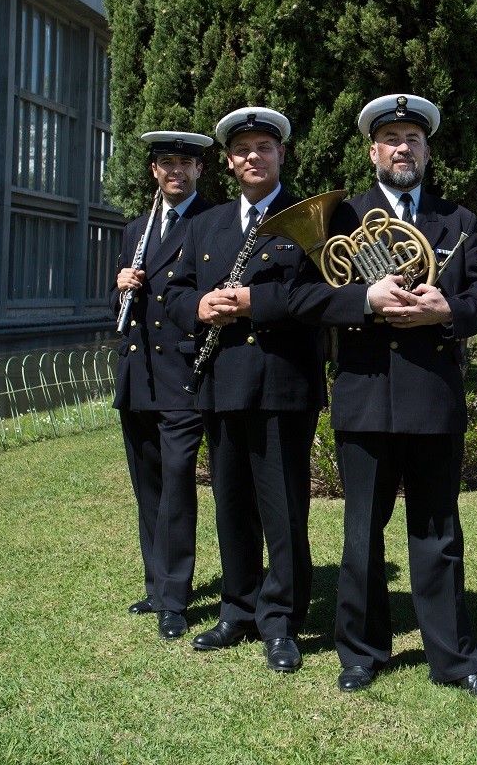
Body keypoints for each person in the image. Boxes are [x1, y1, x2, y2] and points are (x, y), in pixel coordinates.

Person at [289, 93, 477, 701]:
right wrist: (364, 300)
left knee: (438, 530)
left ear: (428, 150)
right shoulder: (341, 219)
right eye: (391, 140)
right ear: (373, 151)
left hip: (433, 395)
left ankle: (455, 659)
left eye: (413, 138)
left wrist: (449, 310)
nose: (402, 148)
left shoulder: (460, 222)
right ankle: (360, 652)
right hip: (365, 394)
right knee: (361, 532)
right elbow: (301, 300)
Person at [163, 106, 325, 674]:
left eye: (264, 147)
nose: (253, 157)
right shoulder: (204, 224)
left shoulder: (308, 218)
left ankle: (280, 620)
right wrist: (198, 306)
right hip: (222, 382)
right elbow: (175, 293)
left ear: (283, 154)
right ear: (229, 162)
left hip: (284, 383)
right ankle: (239, 607)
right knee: (231, 505)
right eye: (242, 150)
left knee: (282, 508)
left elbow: (322, 297)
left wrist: (259, 304)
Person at [111, 130, 216, 641]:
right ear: (154, 171)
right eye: (166, 163)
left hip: (182, 375)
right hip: (138, 376)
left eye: (185, 163)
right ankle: (156, 584)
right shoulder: (138, 227)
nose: (175, 171)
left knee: (177, 485)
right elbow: (125, 311)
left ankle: (175, 598)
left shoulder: (211, 223)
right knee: (147, 485)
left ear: (200, 171)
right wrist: (119, 288)